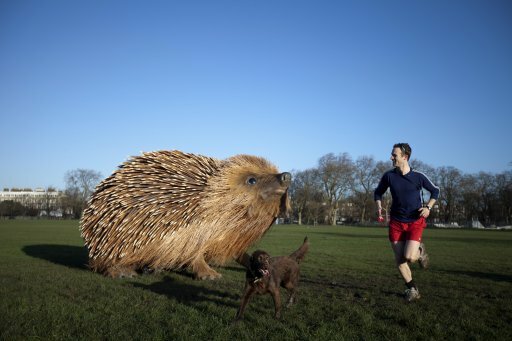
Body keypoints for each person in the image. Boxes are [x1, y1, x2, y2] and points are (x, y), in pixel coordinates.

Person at [374, 143, 440, 302]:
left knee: (410, 257)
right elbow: (378, 192)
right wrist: (379, 207)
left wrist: (428, 208)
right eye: (391, 154)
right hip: (396, 222)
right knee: (400, 260)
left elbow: (435, 190)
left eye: (394, 155)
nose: (391, 157)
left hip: (415, 221)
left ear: (405, 157)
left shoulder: (418, 176)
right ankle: (412, 289)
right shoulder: (389, 176)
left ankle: (419, 249)